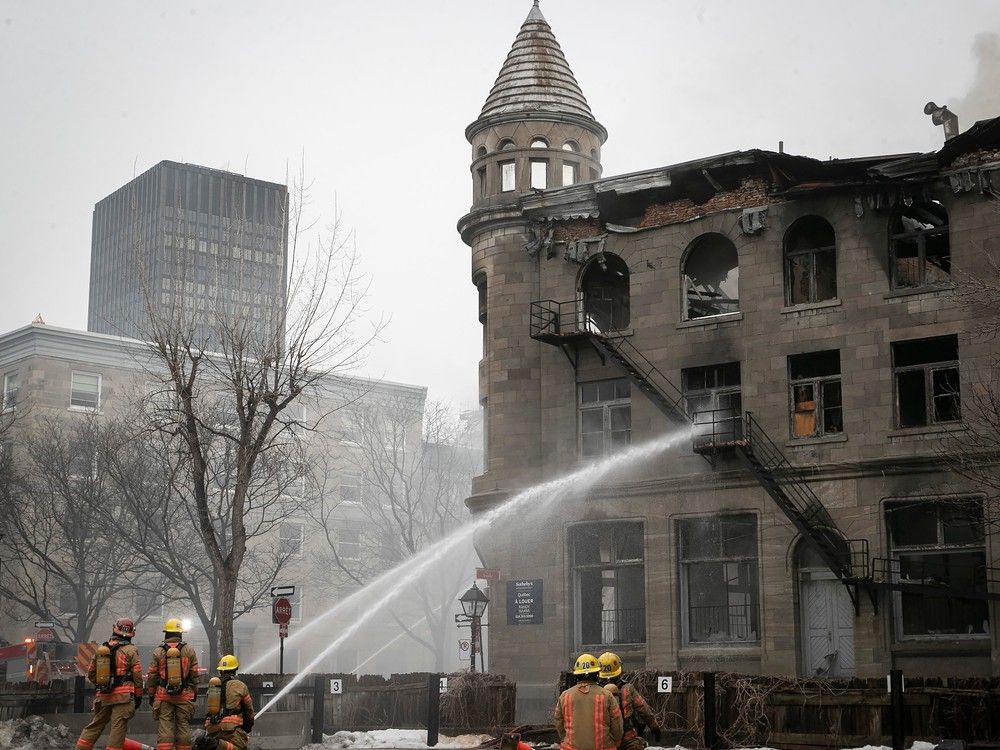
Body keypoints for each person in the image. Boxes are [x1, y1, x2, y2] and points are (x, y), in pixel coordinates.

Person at [75, 618, 144, 750]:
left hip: (104, 696)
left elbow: (91, 674)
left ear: (115, 629)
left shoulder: (103, 649)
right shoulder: (131, 650)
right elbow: (138, 676)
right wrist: (138, 696)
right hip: (123, 698)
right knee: (117, 730)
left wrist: (103, 685)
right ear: (132, 633)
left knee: (94, 726)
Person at [146, 617, 200, 750]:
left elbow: (152, 675)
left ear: (166, 633)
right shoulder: (189, 650)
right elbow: (194, 674)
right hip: (184, 695)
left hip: (164, 695)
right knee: (183, 725)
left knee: (165, 726)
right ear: (180, 633)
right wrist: (194, 692)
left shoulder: (158, 651)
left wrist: (152, 694)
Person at [555, 653, 623, 750]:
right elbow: (617, 726)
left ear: (577, 675)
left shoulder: (565, 696)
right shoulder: (607, 695)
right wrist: (616, 742)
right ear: (597, 674)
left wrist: (567, 739)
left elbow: (559, 722)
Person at [597, 652, 662, 750]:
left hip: (602, 739)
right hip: (627, 739)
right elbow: (643, 709)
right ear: (619, 669)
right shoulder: (627, 688)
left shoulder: (595, 691)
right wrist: (654, 727)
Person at [202, 654, 255, 750]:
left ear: (221, 670)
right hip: (231, 728)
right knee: (241, 747)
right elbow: (249, 709)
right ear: (235, 669)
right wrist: (249, 724)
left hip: (211, 727)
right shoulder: (240, 686)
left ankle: (214, 743)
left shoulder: (214, 685)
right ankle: (217, 744)